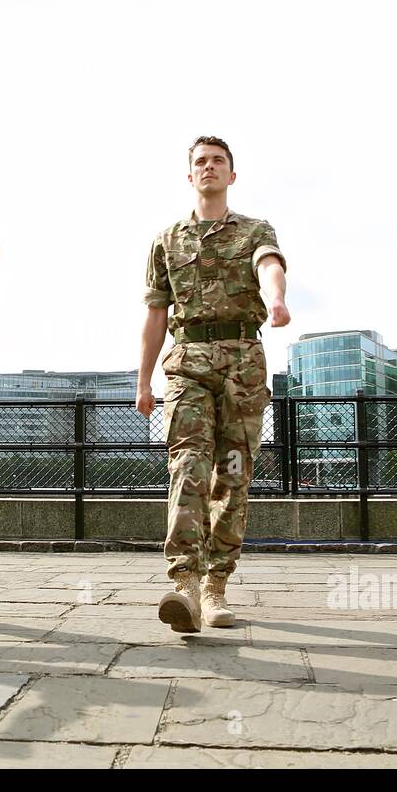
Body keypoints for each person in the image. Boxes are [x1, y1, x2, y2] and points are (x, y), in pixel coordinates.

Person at [136, 136, 290, 633]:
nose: (209, 168)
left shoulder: (253, 229)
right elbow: (155, 313)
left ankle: (216, 585)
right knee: (187, 465)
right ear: (189, 176)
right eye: (200, 162)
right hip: (188, 362)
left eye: (217, 162)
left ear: (231, 175)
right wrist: (143, 380)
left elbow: (269, 263)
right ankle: (184, 582)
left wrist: (277, 299)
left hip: (243, 362)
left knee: (233, 474)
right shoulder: (167, 240)